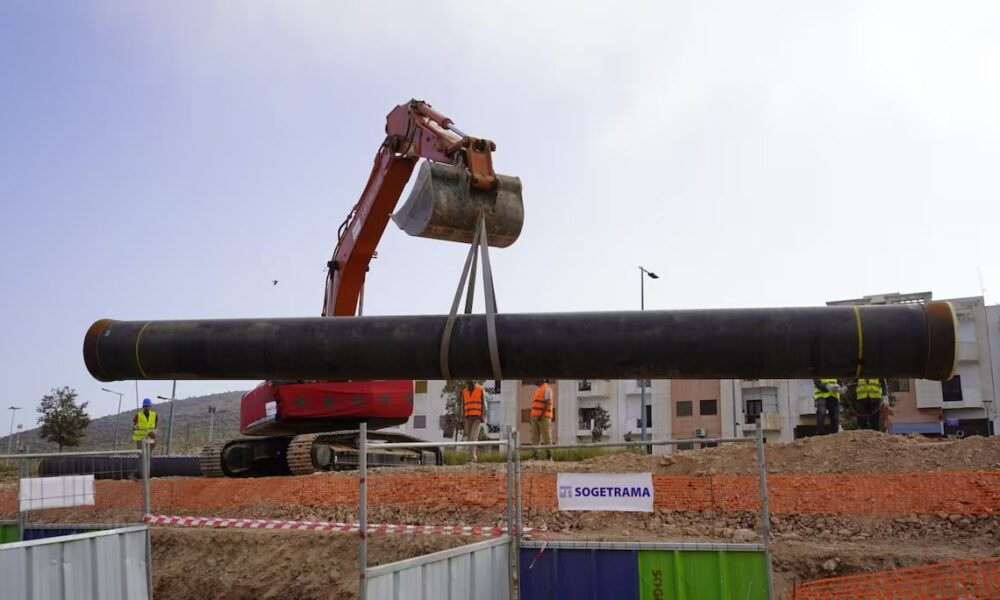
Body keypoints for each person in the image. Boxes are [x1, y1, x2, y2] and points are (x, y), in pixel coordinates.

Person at [530, 379, 555, 460]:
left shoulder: (547, 388)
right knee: (534, 437)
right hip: (535, 416)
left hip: (544, 416)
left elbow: (547, 403)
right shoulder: (538, 389)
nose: (533, 380)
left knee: (546, 436)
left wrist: (541, 415)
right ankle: (535, 456)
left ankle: (549, 456)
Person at [462, 381, 485, 461]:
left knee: (473, 437)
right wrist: (463, 417)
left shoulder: (479, 389)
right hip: (468, 417)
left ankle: (473, 457)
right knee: (469, 437)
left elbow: (483, 403)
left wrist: (482, 416)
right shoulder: (464, 391)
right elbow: (463, 405)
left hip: (477, 417)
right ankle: (470, 456)